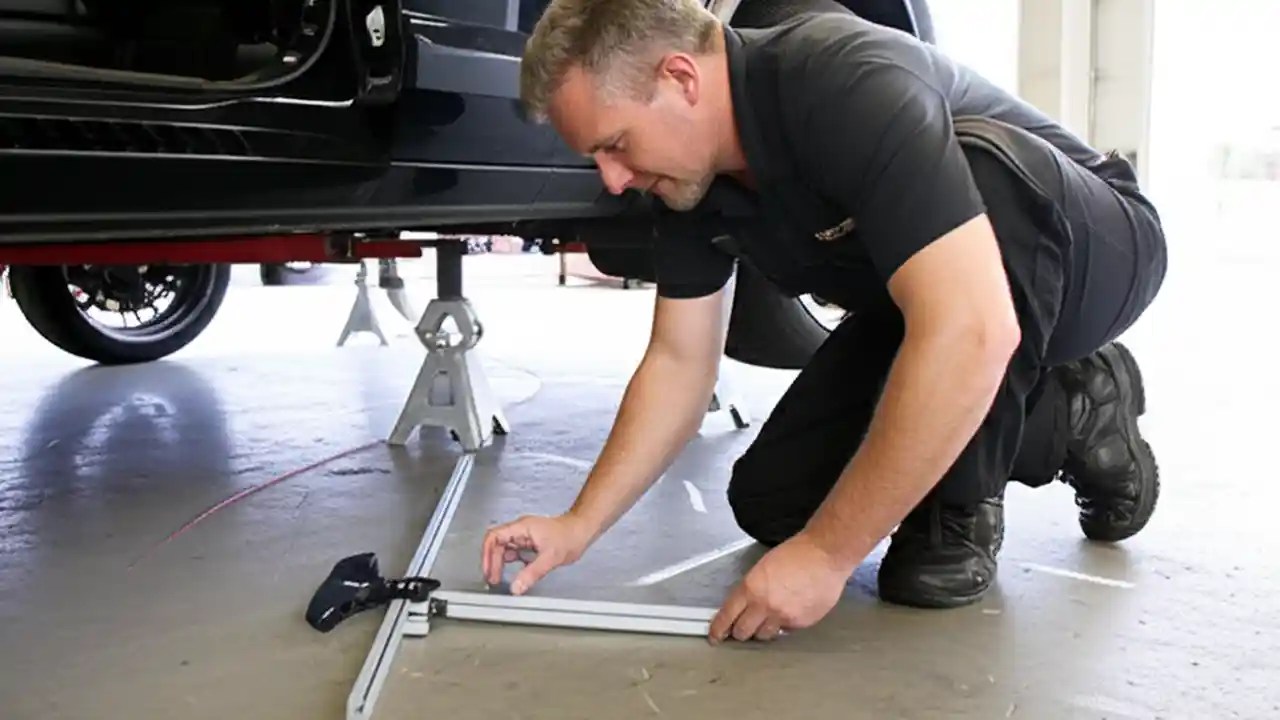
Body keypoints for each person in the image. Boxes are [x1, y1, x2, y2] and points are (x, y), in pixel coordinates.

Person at [481, 0, 1168, 644]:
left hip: (1092, 252)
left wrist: (830, 554)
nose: (612, 180)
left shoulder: (838, 77)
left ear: (681, 77)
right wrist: (578, 526)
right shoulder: (688, 181)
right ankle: (1068, 408)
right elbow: (680, 363)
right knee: (774, 508)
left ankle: (961, 504)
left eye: (617, 143)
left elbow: (971, 326)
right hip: (924, 309)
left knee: (981, 174)